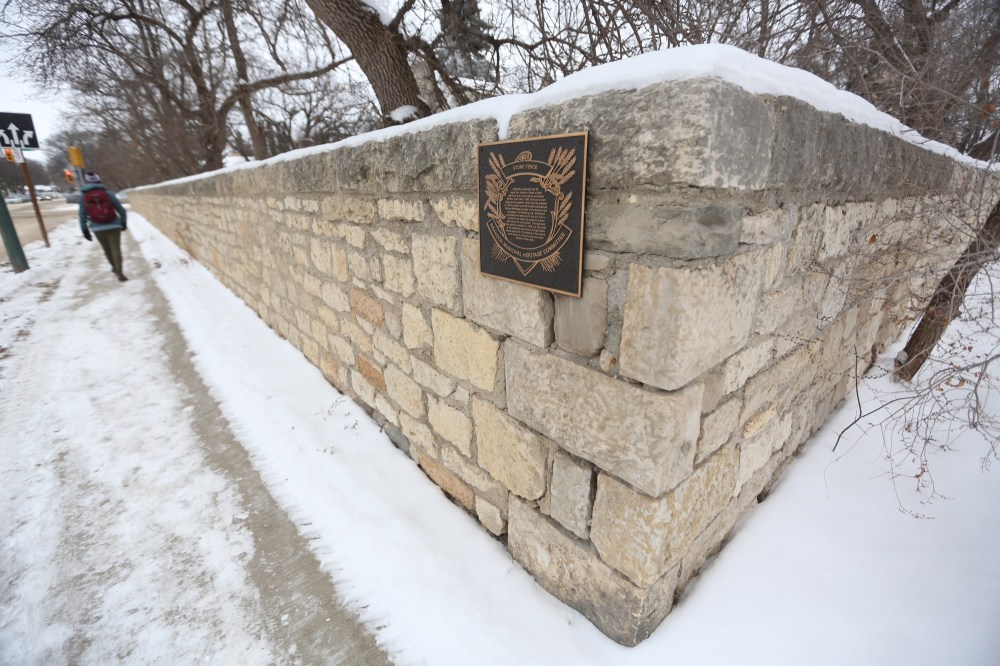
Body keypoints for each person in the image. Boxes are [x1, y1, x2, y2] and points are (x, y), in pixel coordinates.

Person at [78, 170, 129, 281]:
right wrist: (123, 222)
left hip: (97, 227)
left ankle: (115, 268)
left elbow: (82, 214)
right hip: (114, 225)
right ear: (99, 181)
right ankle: (120, 272)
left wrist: (84, 230)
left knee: (107, 250)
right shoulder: (108, 194)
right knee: (116, 249)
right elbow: (121, 210)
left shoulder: (83, 196)